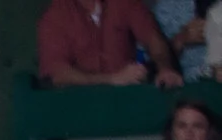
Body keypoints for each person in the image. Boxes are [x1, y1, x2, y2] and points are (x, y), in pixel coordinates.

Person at [39, 0, 184, 86]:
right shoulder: (56, 14)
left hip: (127, 98)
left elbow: (153, 39)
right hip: (79, 104)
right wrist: (112, 79)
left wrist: (165, 68)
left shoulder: (124, 2)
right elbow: (57, 73)